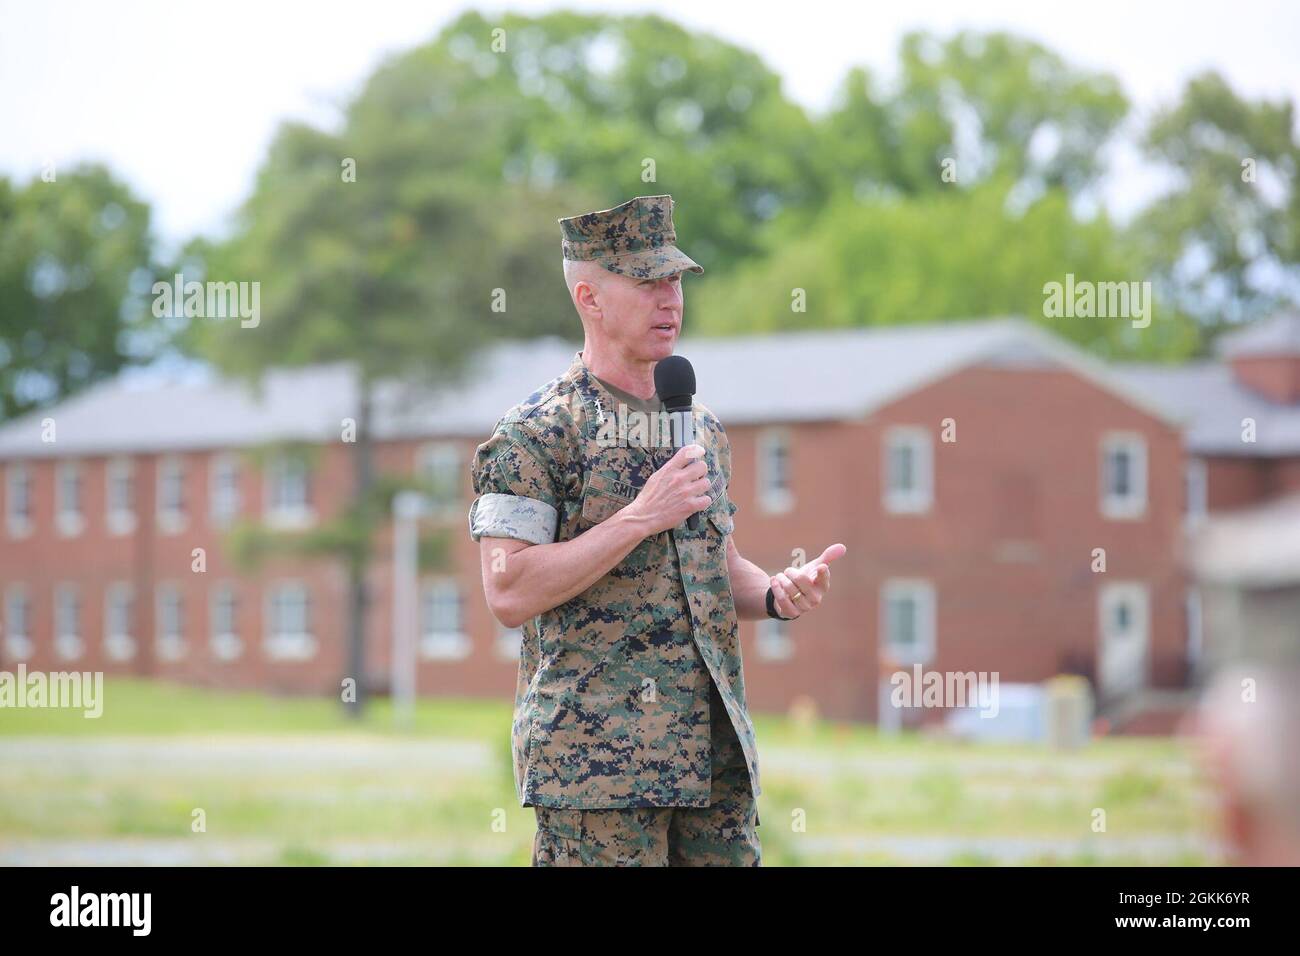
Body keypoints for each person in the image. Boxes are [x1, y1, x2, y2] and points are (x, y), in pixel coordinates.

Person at [467, 194, 846, 865]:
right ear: (590, 298)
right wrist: (639, 517)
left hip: (710, 759)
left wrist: (773, 593)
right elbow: (510, 591)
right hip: (598, 774)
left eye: (676, 281)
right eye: (647, 283)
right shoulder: (535, 434)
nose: (670, 300)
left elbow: (712, 565)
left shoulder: (699, 427)